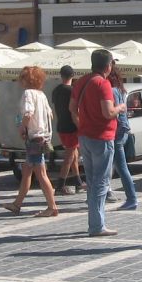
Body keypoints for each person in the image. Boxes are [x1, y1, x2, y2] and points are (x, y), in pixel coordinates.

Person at [71, 49, 126, 237]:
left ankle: (94, 222)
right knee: (102, 182)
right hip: (102, 137)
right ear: (108, 65)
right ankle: (97, 225)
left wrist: (82, 123)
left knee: (92, 180)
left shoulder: (81, 81)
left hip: (85, 136)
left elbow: (72, 108)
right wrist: (120, 108)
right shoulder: (103, 84)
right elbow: (108, 112)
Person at [5, 66, 58, 217]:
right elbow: (50, 115)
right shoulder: (41, 95)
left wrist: (22, 127)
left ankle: (52, 206)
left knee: (41, 173)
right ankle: (17, 204)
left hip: (34, 137)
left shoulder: (28, 94)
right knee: (27, 171)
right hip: (43, 137)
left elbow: (28, 113)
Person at [108, 66, 138, 211]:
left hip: (118, 131)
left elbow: (113, 113)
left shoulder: (112, 91)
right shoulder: (120, 90)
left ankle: (132, 198)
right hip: (123, 130)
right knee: (113, 165)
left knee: (120, 166)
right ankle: (106, 194)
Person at [52, 65, 83, 194]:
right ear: (73, 76)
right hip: (71, 126)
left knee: (74, 154)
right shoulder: (72, 91)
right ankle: (60, 185)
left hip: (61, 126)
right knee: (69, 156)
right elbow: (76, 109)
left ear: (61, 75)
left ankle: (78, 182)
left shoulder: (56, 90)